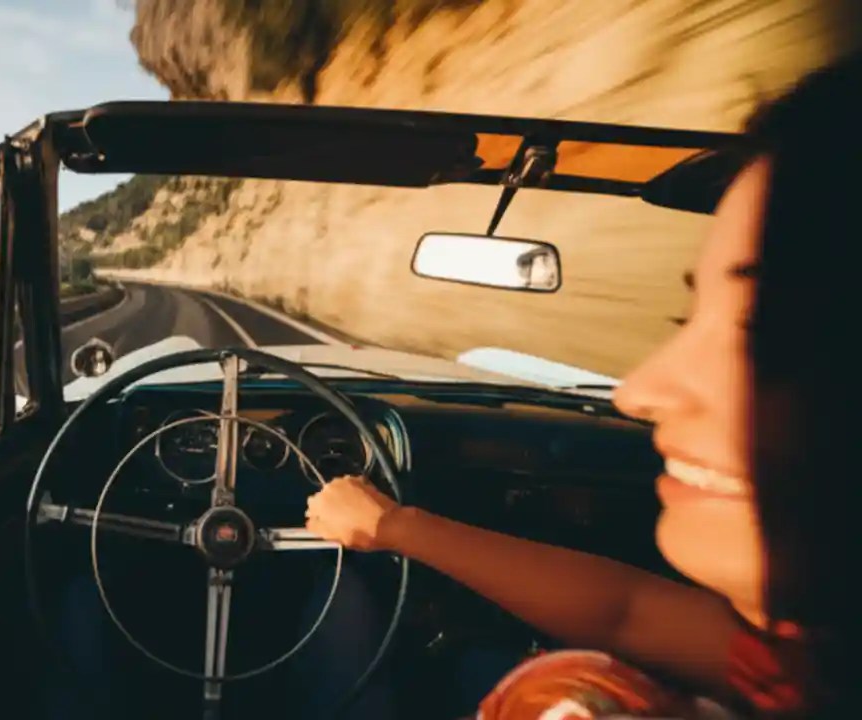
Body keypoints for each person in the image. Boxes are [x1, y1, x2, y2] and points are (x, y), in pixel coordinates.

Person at [305, 52, 861, 718]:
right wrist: (394, 526)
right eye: (685, 319)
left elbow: (632, 614)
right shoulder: (810, 661)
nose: (636, 392)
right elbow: (630, 612)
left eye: (763, 330)